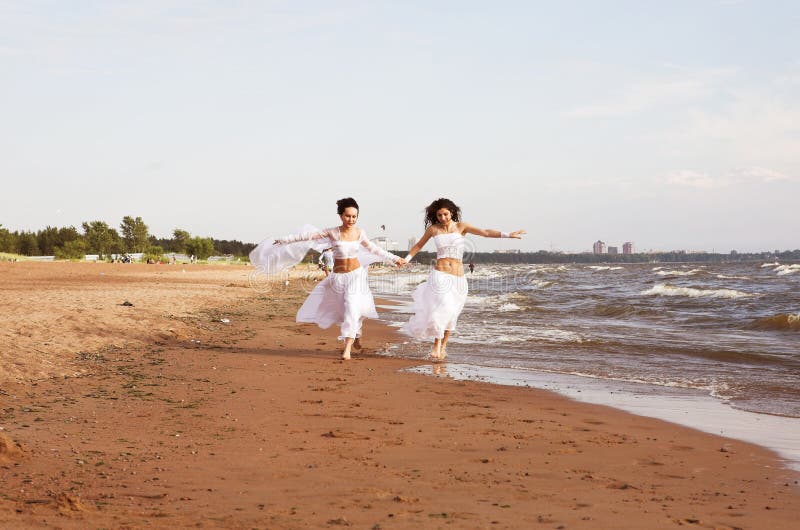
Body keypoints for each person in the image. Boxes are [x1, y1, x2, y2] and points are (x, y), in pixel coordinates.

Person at [252, 198, 406, 360]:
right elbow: (306, 236)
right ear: (340, 215)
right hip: (338, 278)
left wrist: (395, 258)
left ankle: (347, 348)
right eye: (348, 216)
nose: (351, 220)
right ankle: (356, 335)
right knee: (343, 311)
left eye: (354, 217)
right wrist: (284, 240)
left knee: (352, 306)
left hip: (356, 276)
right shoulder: (332, 232)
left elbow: (375, 249)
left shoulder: (360, 233)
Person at [402, 198, 525, 360]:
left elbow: (486, 232)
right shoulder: (433, 229)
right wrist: (407, 259)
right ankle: (436, 344)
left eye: (445, 214)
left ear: (451, 212)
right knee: (444, 307)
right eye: (439, 215)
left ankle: (443, 346)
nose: (443, 218)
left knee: (452, 313)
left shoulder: (461, 227)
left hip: (459, 279)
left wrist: (508, 235)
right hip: (440, 275)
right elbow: (418, 245)